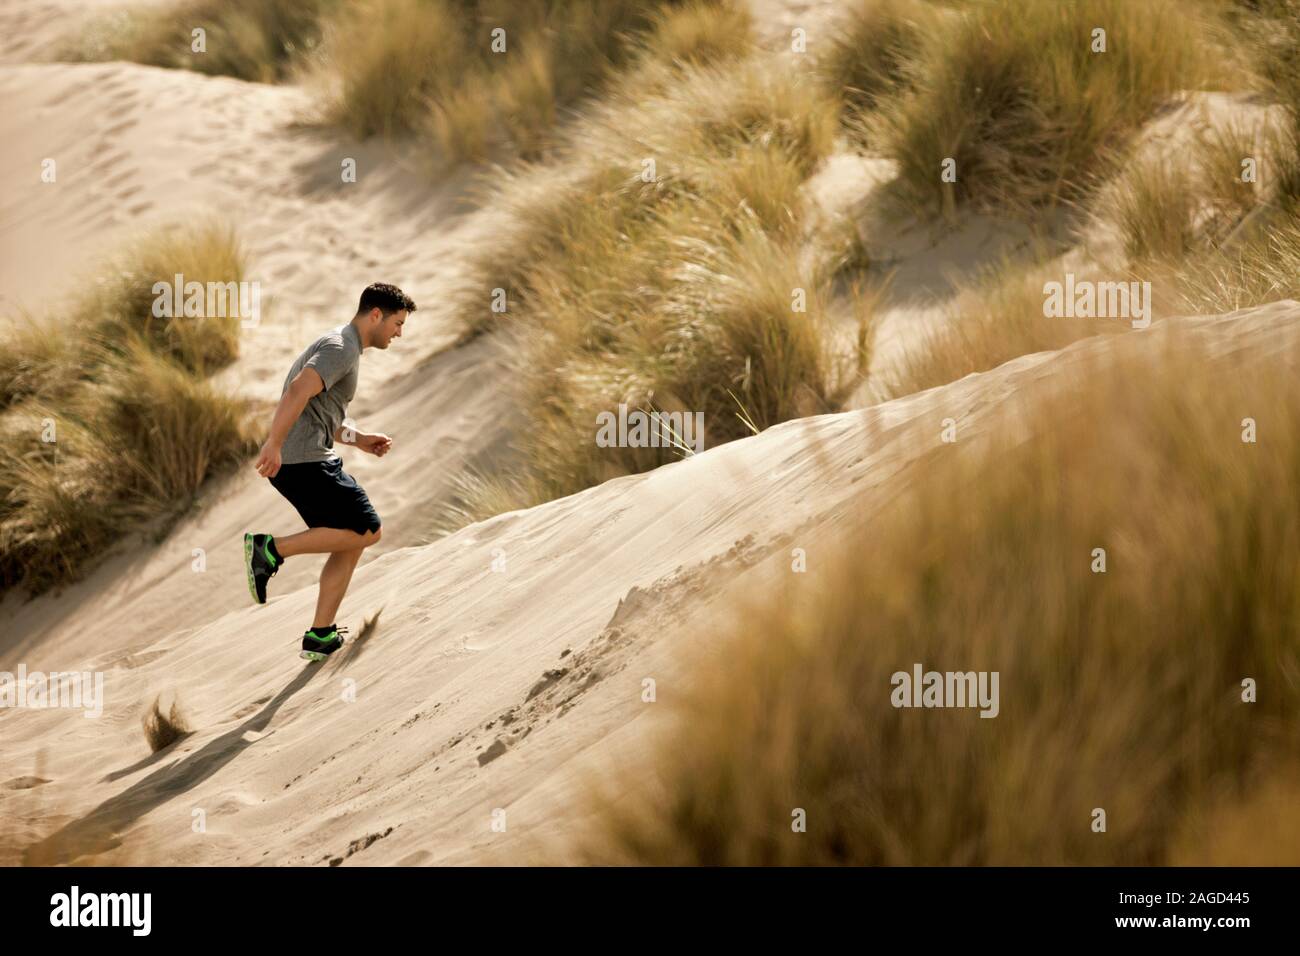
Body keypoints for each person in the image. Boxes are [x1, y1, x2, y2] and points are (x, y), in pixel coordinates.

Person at [244, 282, 415, 661]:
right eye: (397, 324)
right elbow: (297, 392)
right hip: (302, 460)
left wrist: (360, 439)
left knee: (350, 538)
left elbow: (320, 414)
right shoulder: (342, 348)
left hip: (304, 456)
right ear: (375, 315)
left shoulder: (343, 345)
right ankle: (269, 550)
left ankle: (320, 634)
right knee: (368, 528)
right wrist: (273, 444)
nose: (399, 333)